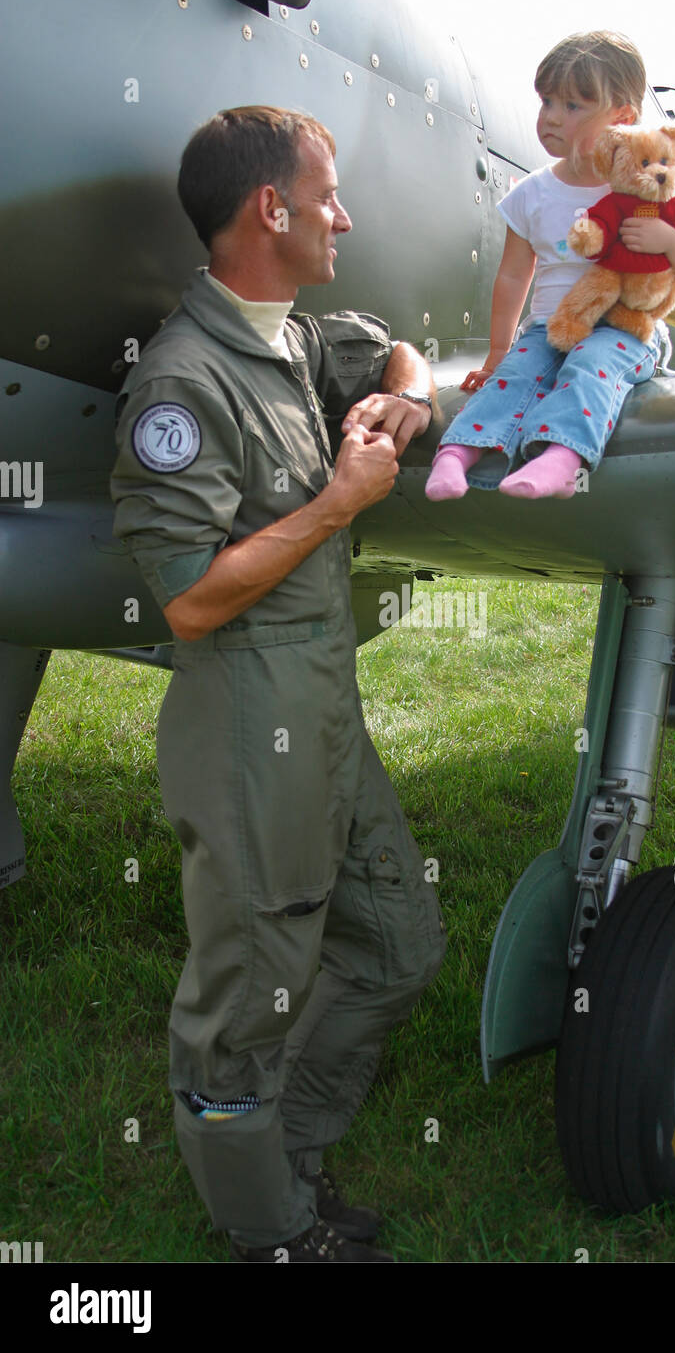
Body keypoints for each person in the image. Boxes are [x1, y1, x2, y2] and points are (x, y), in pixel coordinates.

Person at [110, 106, 447, 1263]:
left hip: (323, 716)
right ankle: (269, 1235)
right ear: (274, 208)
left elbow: (394, 345)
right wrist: (337, 505)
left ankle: (284, 1154)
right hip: (252, 732)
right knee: (243, 1008)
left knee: (399, 941)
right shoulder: (180, 382)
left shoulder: (290, 339)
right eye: (329, 194)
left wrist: (406, 396)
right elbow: (192, 597)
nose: (343, 215)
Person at [425, 31, 675, 503]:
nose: (551, 117)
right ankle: (456, 453)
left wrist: (670, 239)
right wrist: (498, 352)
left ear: (623, 118)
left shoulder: (651, 186)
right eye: (547, 101)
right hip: (549, 327)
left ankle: (562, 456)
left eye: (573, 106)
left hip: (624, 329)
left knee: (591, 366)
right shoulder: (532, 195)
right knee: (516, 374)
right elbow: (514, 275)